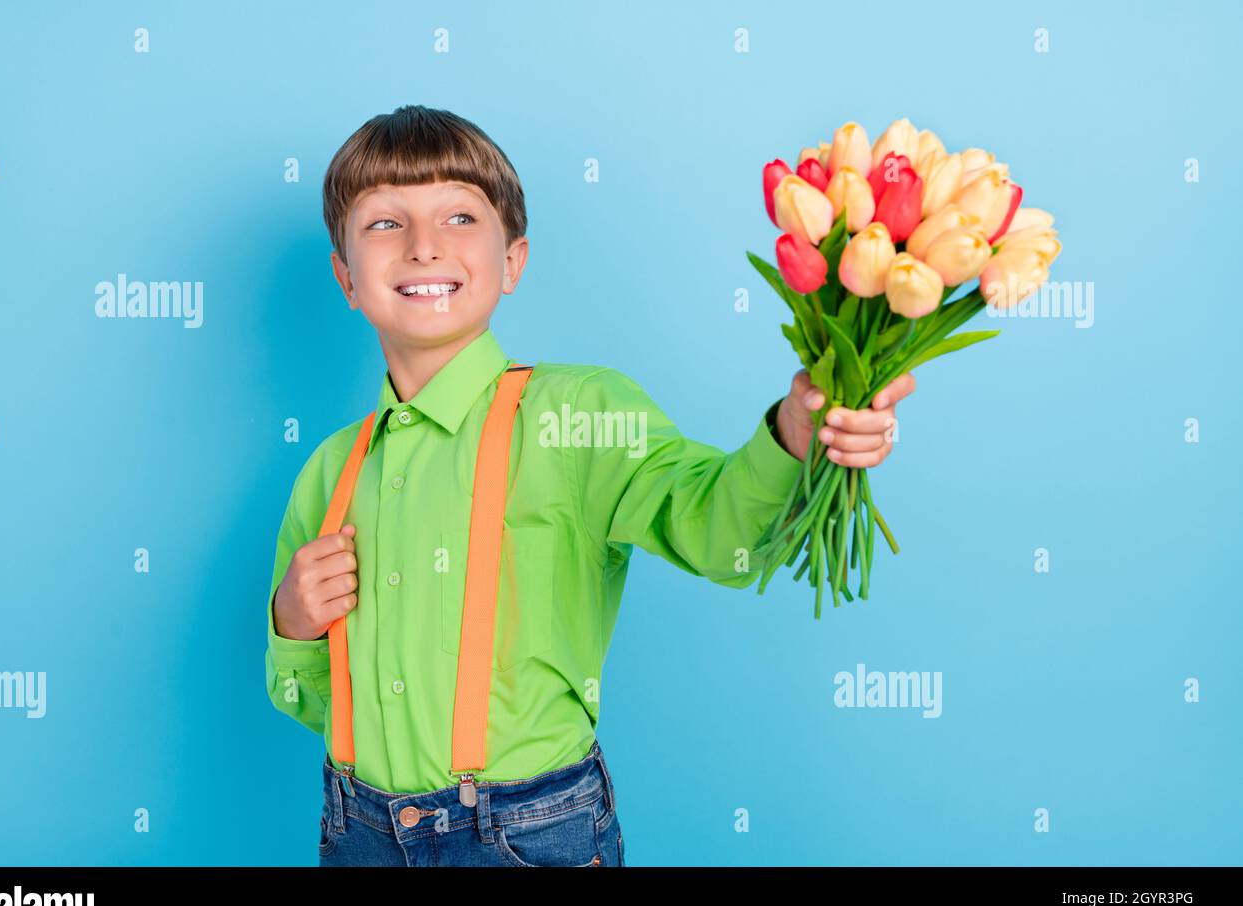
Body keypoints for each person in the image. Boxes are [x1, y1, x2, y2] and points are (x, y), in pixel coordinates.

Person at [264, 105, 916, 867]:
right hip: (356, 830)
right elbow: (317, 700)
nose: (423, 245)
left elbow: (717, 531)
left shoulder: (578, 414)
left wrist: (793, 436)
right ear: (345, 276)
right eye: (384, 223)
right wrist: (291, 621)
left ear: (513, 260)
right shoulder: (331, 472)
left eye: (460, 215)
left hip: (525, 834)